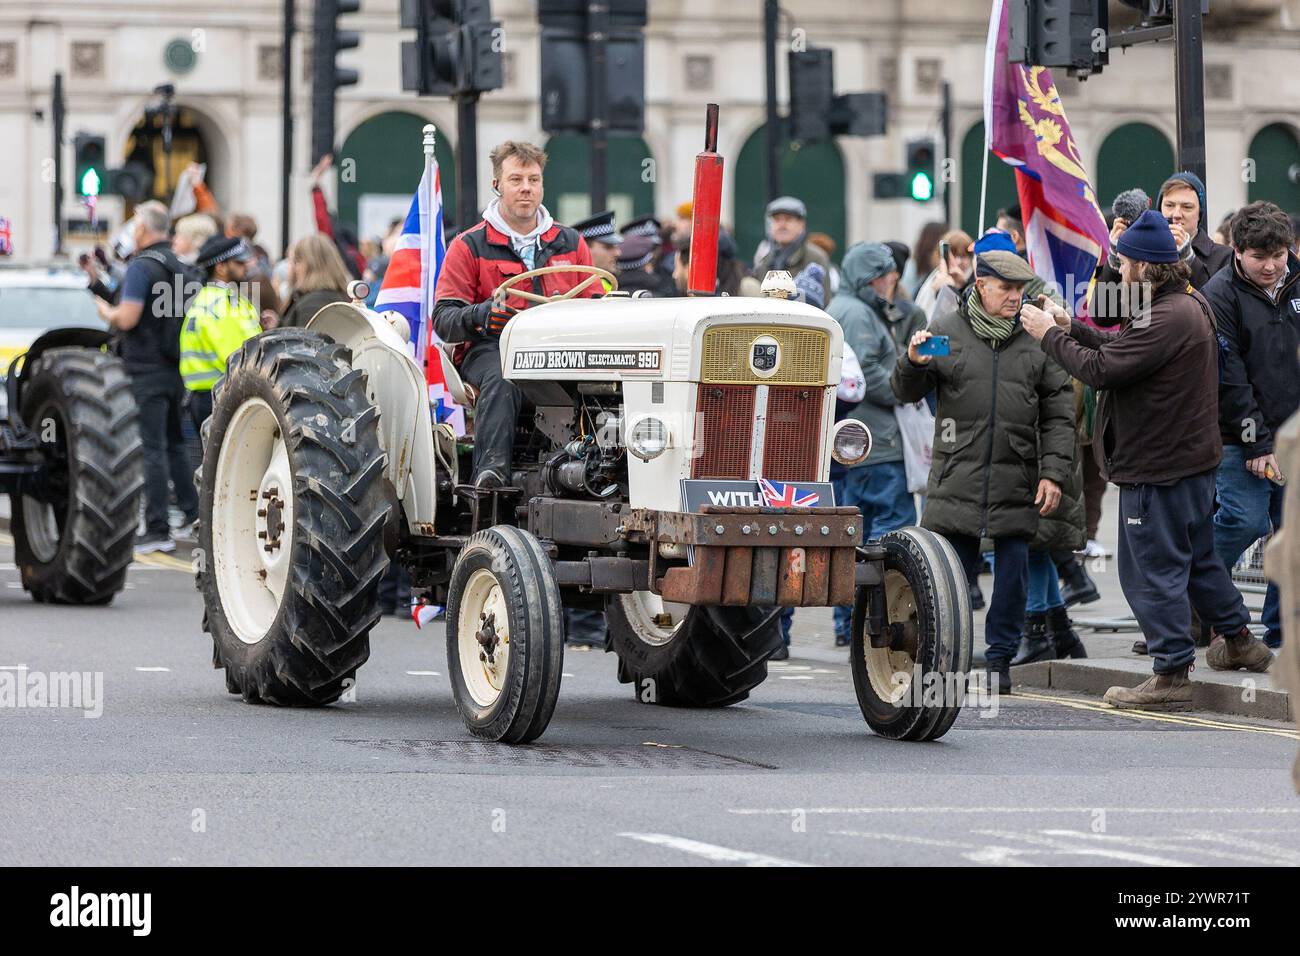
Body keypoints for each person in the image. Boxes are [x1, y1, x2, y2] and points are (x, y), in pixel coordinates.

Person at [1022, 209, 1273, 711]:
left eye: (1125, 261)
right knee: (1201, 561)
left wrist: (1048, 335)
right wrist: (1074, 325)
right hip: (1188, 465)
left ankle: (1172, 671)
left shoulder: (1165, 315)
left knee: (1150, 572)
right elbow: (1122, 346)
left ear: (1145, 266)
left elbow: (1101, 369)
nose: (1120, 268)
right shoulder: (1183, 304)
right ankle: (1241, 641)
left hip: (1157, 469)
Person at [893, 249, 1075, 694]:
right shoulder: (945, 331)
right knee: (947, 580)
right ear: (981, 287)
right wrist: (913, 362)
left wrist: (1052, 474)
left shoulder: (1037, 337)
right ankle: (938, 658)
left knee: (1012, 577)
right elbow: (906, 390)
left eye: (1021, 290)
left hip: (1017, 478)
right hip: (957, 476)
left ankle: (1000, 661)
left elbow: (1059, 415)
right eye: (1007, 289)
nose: (1016, 298)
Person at [432, 140, 597, 488]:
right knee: (504, 376)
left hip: (562, 349)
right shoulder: (469, 245)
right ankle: (491, 478)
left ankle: (598, 469)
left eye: (533, 180)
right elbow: (445, 318)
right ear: (497, 185)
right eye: (516, 179)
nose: (526, 188)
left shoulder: (570, 242)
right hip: (493, 346)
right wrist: (482, 315)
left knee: (603, 383)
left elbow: (594, 298)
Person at [1203, 200, 1299, 651]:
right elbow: (1230, 376)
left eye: (1278, 255)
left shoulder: (1296, 279)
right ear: (1239, 251)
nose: (1271, 266)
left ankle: (1280, 632)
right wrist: (1257, 443)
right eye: (1260, 257)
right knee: (1244, 520)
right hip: (1239, 437)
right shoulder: (1220, 293)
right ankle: (1198, 589)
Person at [827, 242, 927, 646]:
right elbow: (866, 372)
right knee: (889, 535)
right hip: (877, 445)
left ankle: (845, 623)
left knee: (853, 532)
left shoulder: (843, 307)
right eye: (887, 276)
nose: (893, 283)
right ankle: (876, 622)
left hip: (855, 444)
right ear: (871, 279)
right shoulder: (858, 313)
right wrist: (904, 387)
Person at [93, 201, 200, 554]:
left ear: (144, 229)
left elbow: (127, 318)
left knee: (151, 448)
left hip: (144, 368)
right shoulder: (179, 265)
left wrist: (105, 309)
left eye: (136, 224)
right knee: (174, 444)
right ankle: (193, 514)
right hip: (174, 366)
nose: (132, 230)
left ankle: (157, 528)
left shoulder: (142, 266)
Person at [179, 236, 263, 434]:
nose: (246, 267)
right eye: (239, 263)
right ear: (221, 267)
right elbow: (239, 358)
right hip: (224, 397)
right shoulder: (223, 303)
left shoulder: (206, 298)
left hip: (207, 397)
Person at [750, 196, 831, 303]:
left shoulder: (816, 258)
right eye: (777, 220)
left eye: (788, 219)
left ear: (801, 224)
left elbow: (824, 303)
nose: (782, 225)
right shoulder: (765, 260)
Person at [279, 234, 352, 328]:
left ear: (309, 265)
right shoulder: (341, 297)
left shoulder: (311, 304)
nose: (293, 268)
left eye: (296, 261)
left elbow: (303, 341)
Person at [913, 228, 973, 319]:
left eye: (963, 256)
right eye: (954, 255)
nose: (959, 261)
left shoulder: (974, 282)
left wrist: (963, 286)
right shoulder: (931, 280)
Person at [572, 210, 622, 289]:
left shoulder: (609, 281)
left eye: (615, 247)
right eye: (608, 247)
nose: (618, 253)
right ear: (585, 247)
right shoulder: (573, 284)